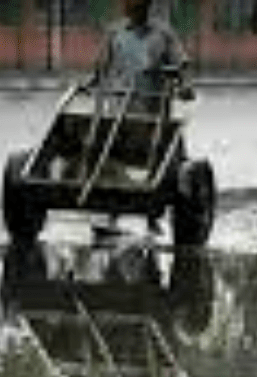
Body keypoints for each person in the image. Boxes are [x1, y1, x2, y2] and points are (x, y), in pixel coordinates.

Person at [89, 0, 193, 236]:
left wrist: (185, 85)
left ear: (148, 7)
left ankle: (152, 217)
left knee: (157, 158)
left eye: (141, 6)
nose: (135, 10)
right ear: (125, 8)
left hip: (153, 106)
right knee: (113, 158)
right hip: (120, 105)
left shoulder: (164, 33)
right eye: (131, 6)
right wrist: (93, 82)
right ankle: (111, 214)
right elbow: (101, 66)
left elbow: (182, 63)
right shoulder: (115, 32)